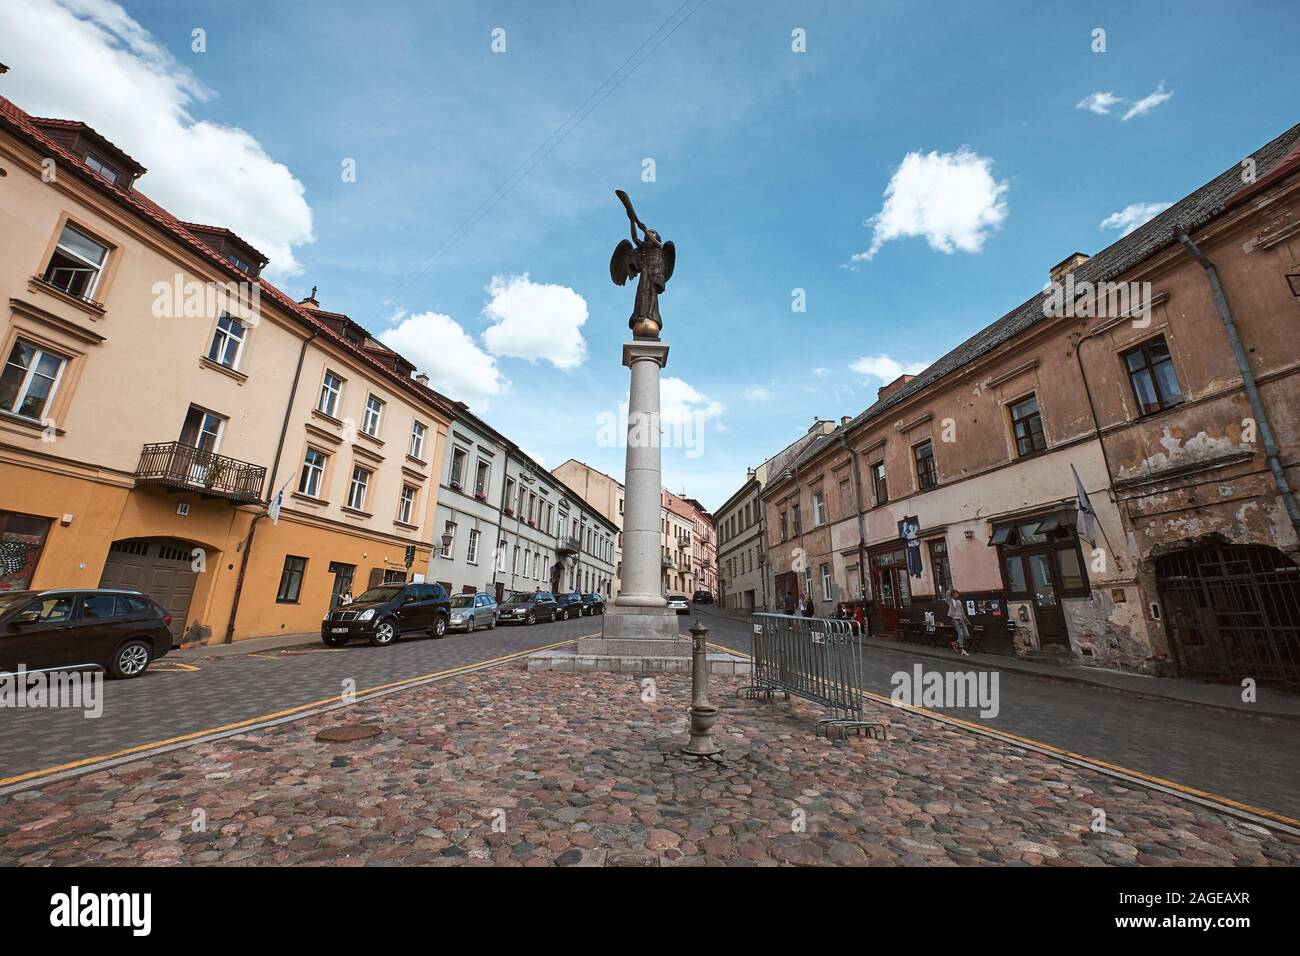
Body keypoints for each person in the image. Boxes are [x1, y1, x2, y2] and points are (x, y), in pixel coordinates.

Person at [947, 588, 971, 656]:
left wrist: (966, 619)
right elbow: (947, 594)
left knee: (966, 634)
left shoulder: (959, 601)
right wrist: (951, 591)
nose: (957, 595)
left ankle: (955, 643)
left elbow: (962, 611)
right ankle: (962, 649)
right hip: (955, 619)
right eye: (956, 594)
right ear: (952, 594)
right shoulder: (951, 601)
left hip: (961, 619)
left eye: (958, 594)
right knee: (960, 633)